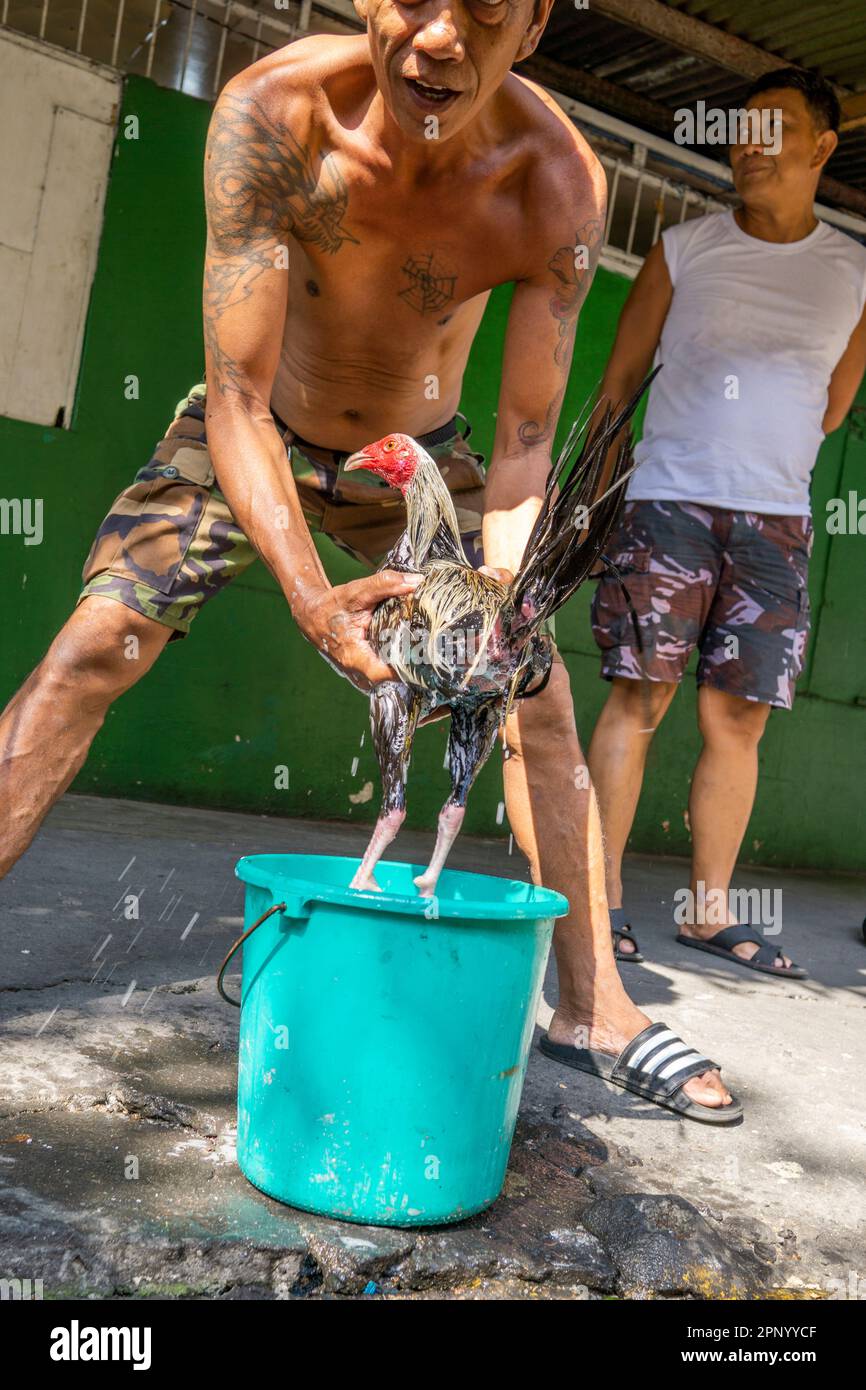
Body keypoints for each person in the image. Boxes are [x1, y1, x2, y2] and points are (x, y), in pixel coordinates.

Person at [0, 3, 738, 1122]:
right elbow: (239, 398)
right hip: (254, 432)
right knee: (96, 643)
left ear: (532, 24)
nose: (439, 39)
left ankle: (595, 1005)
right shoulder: (274, 113)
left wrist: (501, 603)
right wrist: (311, 599)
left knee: (531, 698)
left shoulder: (555, 185)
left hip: (420, 461)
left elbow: (531, 443)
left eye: (484, 7)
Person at [589, 68, 866, 974]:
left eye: (773, 129)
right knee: (640, 697)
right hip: (667, 501)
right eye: (740, 129)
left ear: (822, 148)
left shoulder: (855, 272)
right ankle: (599, 900)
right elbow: (619, 382)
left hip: (775, 523)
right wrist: (585, 494)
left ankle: (710, 912)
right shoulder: (686, 249)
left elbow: (831, 409)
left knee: (739, 719)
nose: (748, 144)